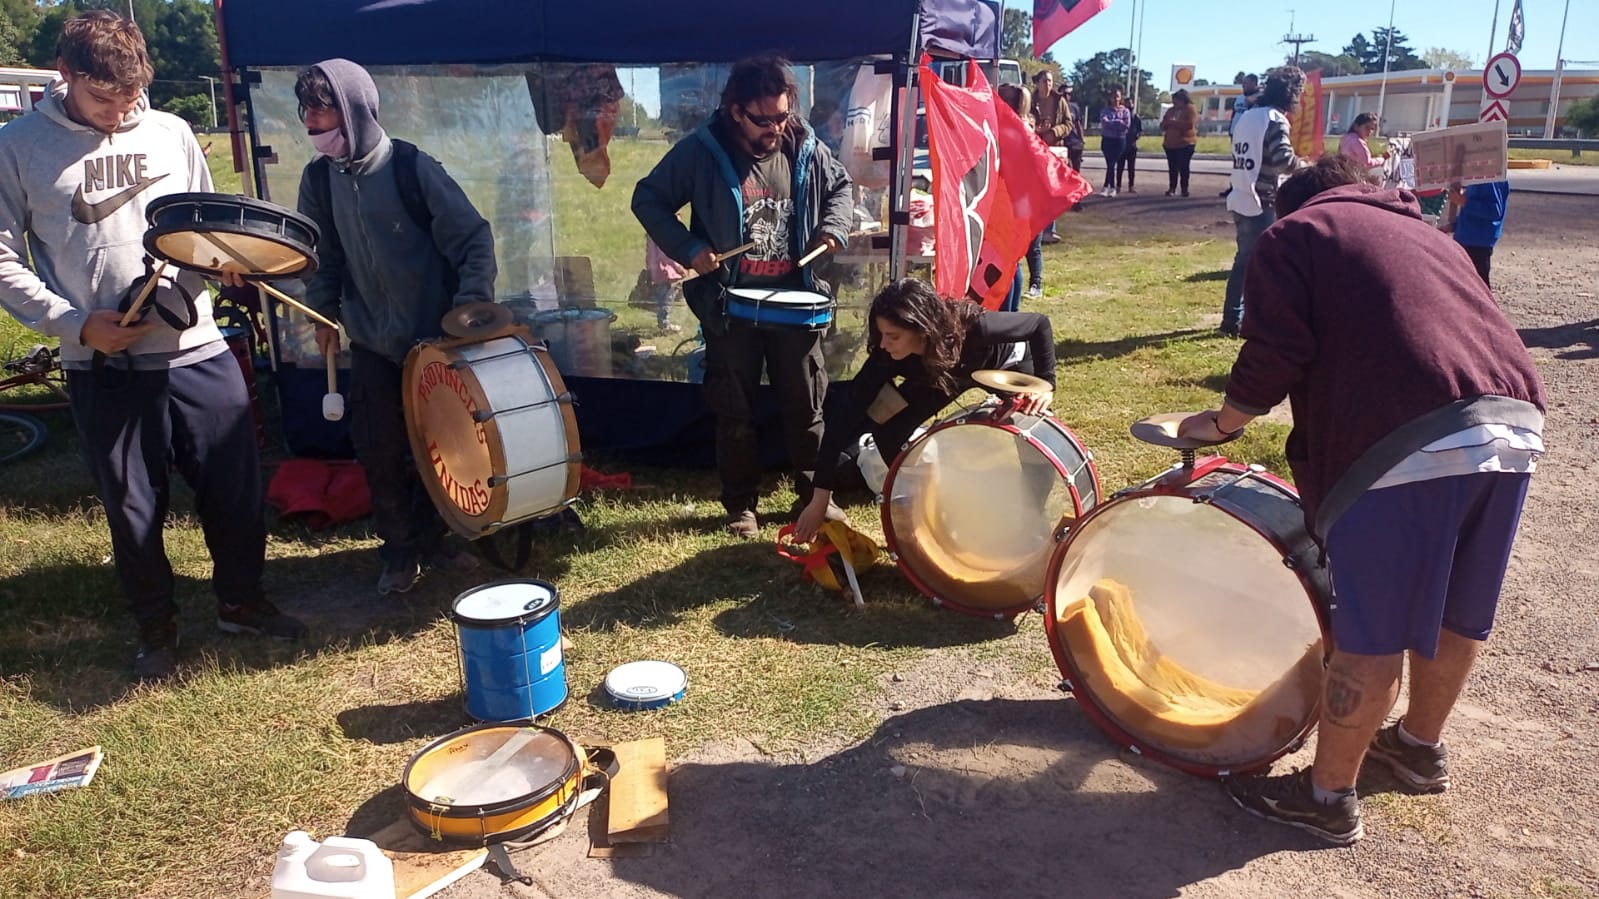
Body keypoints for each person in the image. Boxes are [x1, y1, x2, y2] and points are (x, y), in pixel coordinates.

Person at [1177, 155, 1545, 846]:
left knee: (1368, 632)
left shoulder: (1297, 233)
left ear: (1292, 205)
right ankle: (1417, 748)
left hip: (1409, 437)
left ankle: (1327, 799)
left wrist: (1221, 424)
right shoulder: (1425, 233)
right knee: (1456, 610)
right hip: (1513, 426)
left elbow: (1275, 349)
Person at [0, 11, 306, 681]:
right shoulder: (17, 147)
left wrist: (226, 262)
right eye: (102, 98)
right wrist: (78, 324)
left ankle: (242, 601)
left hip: (196, 343)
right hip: (102, 359)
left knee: (234, 485)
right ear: (65, 74)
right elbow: (2, 258)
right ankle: (156, 629)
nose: (118, 112)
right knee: (134, 505)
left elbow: (203, 224)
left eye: (130, 96)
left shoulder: (171, 131)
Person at [268, 59, 496, 595]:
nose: (313, 129)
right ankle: (398, 552)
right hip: (371, 340)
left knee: (441, 445)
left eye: (322, 117)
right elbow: (321, 256)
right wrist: (325, 314)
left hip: (435, 340)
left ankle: (437, 541)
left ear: (356, 112)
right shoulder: (317, 180)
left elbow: (473, 240)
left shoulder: (412, 169)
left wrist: (468, 310)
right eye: (307, 117)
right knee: (379, 448)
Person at [632, 56, 854, 539]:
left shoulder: (804, 145)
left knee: (807, 405)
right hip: (729, 307)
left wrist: (834, 227)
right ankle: (740, 504)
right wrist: (690, 248)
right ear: (736, 111)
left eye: (783, 116)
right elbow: (647, 198)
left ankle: (815, 497)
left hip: (796, 302)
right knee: (735, 409)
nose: (775, 128)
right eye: (763, 120)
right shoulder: (702, 150)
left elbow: (841, 186)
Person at [794, 278, 1055, 543]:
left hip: (999, 363)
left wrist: (1046, 385)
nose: (883, 344)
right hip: (941, 373)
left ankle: (1033, 514)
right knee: (889, 430)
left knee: (1034, 433)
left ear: (921, 329)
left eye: (893, 336)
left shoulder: (975, 327)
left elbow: (1039, 324)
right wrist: (819, 499)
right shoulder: (886, 356)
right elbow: (842, 420)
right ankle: (924, 501)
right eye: (881, 334)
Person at [1221, 66, 1304, 337]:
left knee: (1244, 262)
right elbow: (1283, 160)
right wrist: (1306, 166)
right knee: (1262, 265)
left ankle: (1233, 318)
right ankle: (1245, 320)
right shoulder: (1275, 119)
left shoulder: (1248, 116)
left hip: (1241, 194)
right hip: (1262, 199)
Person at [1032, 70, 1081, 230]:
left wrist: (1054, 132)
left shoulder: (1059, 101)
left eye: (1050, 81)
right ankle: (1037, 226)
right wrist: (1038, 129)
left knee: (1052, 189)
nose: (1048, 84)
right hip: (1035, 149)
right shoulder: (1030, 101)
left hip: (1055, 149)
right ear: (1037, 83)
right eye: (1044, 81)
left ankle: (1050, 228)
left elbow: (1068, 123)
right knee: (1037, 189)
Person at [1448, 180, 1509, 287]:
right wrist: (1454, 226)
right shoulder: (1478, 178)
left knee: (1479, 286)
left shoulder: (1490, 178)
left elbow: (1495, 211)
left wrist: (1464, 201)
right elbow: (1470, 212)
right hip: (1467, 238)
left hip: (1478, 242)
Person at [1219, 74, 1260, 198]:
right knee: (1237, 162)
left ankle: (1249, 188)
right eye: (1243, 83)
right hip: (1236, 134)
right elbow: (1234, 114)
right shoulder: (1239, 98)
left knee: (1248, 162)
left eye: (1246, 83)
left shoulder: (1259, 98)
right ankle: (1234, 187)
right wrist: (1231, 129)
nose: (1243, 86)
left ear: (1254, 84)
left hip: (1249, 135)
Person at [1160, 89, 1198, 197]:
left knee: (1183, 167)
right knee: (1172, 167)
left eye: (1177, 100)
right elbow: (1162, 124)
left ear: (1183, 99)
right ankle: (1172, 188)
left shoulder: (1190, 109)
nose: (1175, 102)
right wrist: (1166, 124)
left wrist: (1173, 123)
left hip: (1185, 143)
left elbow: (1189, 124)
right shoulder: (1171, 110)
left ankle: (1184, 189)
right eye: (1174, 100)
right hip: (1170, 144)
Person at [1098, 89, 1132, 197]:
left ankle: (1108, 187)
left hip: (1120, 141)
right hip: (1107, 140)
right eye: (1113, 96)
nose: (1115, 99)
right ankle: (1110, 187)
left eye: (1117, 96)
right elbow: (1104, 123)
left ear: (1120, 98)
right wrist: (1118, 122)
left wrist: (1113, 123)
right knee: (1110, 164)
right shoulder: (1105, 110)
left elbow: (1126, 125)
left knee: (1111, 164)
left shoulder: (1125, 111)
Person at [1114, 99, 1142, 194]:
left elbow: (1140, 130)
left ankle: (1131, 186)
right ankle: (1118, 186)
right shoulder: (1121, 116)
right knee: (1120, 167)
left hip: (1132, 146)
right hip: (1121, 145)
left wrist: (1137, 136)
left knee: (1131, 168)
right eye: (1127, 104)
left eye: (1131, 103)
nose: (1129, 105)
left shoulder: (1136, 117)